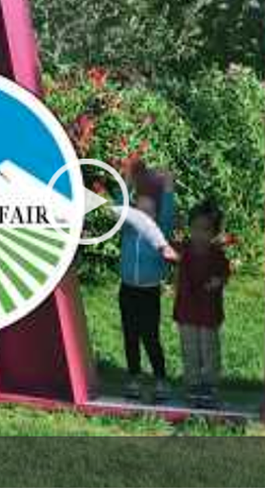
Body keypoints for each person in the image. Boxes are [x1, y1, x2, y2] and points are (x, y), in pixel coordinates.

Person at [116, 166, 176, 402]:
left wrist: (168, 182)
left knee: (150, 337)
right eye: (137, 210)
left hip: (149, 292)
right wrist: (128, 180)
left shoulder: (161, 229)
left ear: (156, 215)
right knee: (130, 335)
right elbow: (119, 204)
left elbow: (168, 207)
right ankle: (133, 378)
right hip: (127, 290)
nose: (141, 215)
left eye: (147, 211)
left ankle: (160, 379)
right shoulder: (127, 229)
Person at [174, 200, 231, 408]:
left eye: (205, 230)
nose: (199, 234)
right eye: (195, 228)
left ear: (214, 232)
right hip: (186, 311)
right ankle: (193, 386)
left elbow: (224, 273)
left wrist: (219, 280)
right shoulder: (185, 250)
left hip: (208, 313)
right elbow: (167, 245)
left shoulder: (217, 255)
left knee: (209, 350)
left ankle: (210, 387)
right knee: (190, 349)